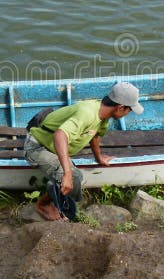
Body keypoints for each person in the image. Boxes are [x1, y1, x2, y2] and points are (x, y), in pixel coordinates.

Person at [24, 82, 144, 221]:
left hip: (52, 147)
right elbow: (60, 135)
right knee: (74, 177)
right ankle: (43, 204)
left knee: (74, 180)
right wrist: (67, 174)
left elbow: (95, 134)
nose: (128, 113)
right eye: (129, 110)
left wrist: (98, 157)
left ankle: (62, 195)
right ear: (121, 107)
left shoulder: (103, 114)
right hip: (37, 146)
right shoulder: (87, 113)